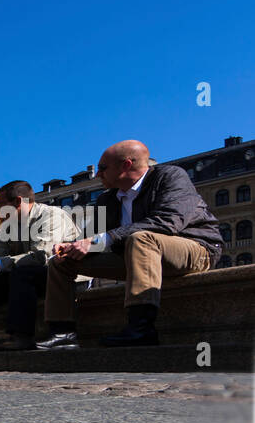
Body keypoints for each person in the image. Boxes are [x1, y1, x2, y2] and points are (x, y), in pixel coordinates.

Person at [39, 139, 222, 349]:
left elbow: (167, 222)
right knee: (61, 261)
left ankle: (141, 329)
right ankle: (63, 334)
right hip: (136, 257)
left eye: (102, 168)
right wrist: (70, 246)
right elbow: (90, 238)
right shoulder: (107, 199)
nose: (98, 174)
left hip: (197, 248)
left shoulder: (171, 177)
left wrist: (101, 240)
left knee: (141, 238)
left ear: (126, 165)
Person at [0, 180, 81, 352]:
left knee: (22, 273)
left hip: (59, 275)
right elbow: (0, 258)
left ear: (18, 202)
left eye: (1, 205)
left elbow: (42, 256)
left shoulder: (51, 215)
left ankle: (22, 336)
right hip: (26, 277)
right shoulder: (8, 225)